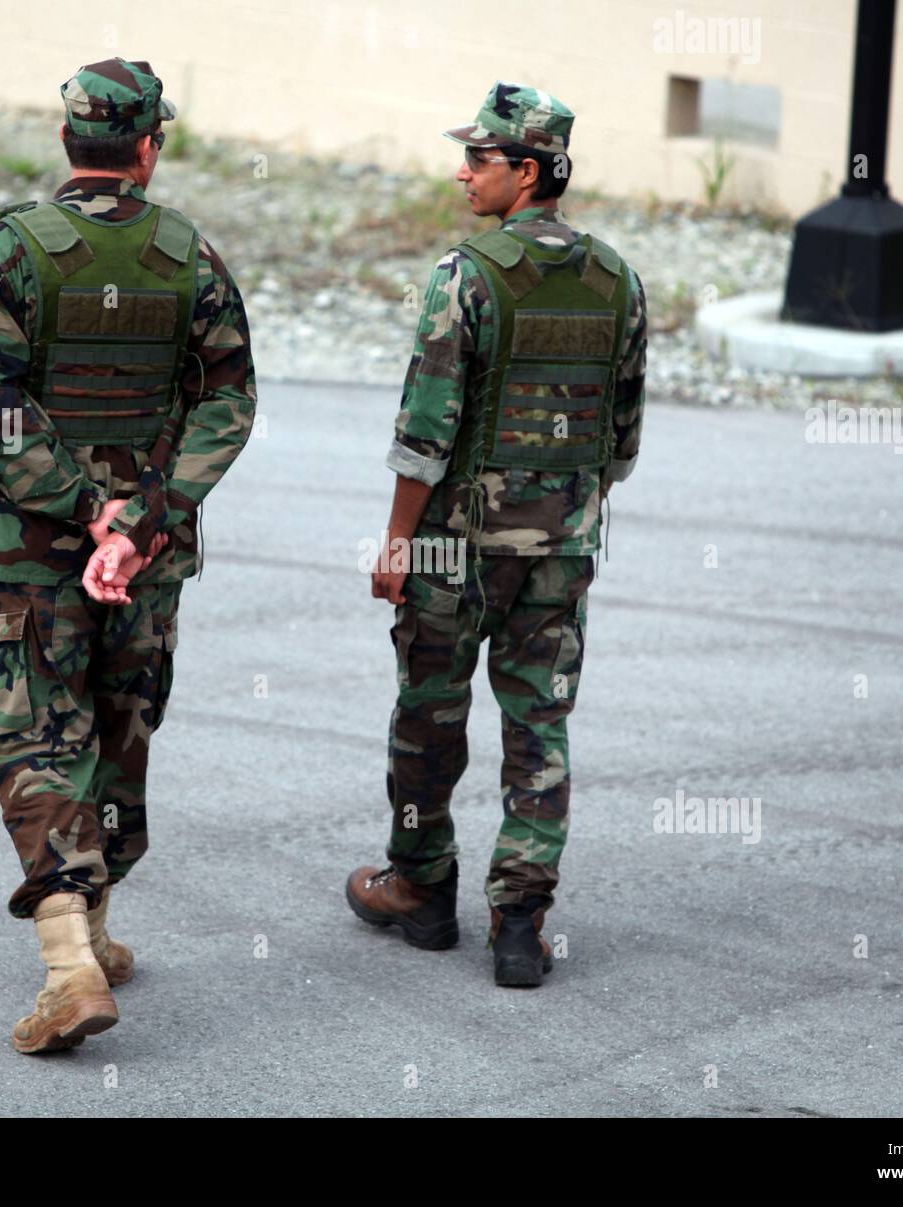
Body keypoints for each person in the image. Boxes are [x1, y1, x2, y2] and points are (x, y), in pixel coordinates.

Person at [0, 57, 255, 1051]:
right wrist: (144, 514)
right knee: (122, 731)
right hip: (149, 561)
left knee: (38, 736)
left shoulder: (17, 251)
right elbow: (229, 397)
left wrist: (84, 509)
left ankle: (69, 962)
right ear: (147, 149)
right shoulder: (191, 255)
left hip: (36, 556)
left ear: (67, 143)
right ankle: (100, 921)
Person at [347, 82, 648, 987]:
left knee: (429, 719)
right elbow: (623, 441)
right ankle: (520, 924)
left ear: (527, 172)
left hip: (454, 550)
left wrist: (398, 542)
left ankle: (420, 889)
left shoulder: (465, 277)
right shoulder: (617, 280)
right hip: (561, 546)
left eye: (479, 159)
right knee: (539, 724)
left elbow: (424, 435)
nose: (463, 172)